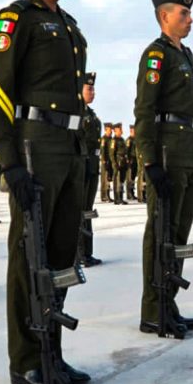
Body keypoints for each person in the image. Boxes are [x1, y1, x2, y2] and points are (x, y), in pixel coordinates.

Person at [0, 0, 91, 384]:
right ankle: (26, 360)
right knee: (31, 256)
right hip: (34, 146)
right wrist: (11, 164)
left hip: (69, 147)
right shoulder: (15, 19)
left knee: (63, 255)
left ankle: (53, 353)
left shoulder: (68, 25)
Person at [133, 0, 193, 338]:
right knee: (159, 231)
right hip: (166, 151)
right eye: (183, 14)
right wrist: (149, 162)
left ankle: (169, 303)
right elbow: (144, 111)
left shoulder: (186, 55)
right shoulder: (156, 56)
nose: (190, 19)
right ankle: (153, 308)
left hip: (187, 150)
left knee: (178, 232)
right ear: (165, 17)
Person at [79, 72, 102, 267]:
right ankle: (79, 253)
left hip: (92, 166)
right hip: (82, 166)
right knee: (79, 211)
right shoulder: (77, 114)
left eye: (93, 88)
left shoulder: (91, 114)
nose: (92, 92)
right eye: (89, 88)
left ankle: (87, 252)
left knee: (87, 211)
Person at [109, 123, 128, 204]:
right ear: (116, 130)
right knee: (117, 180)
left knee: (122, 181)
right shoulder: (114, 140)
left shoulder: (122, 139)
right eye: (120, 129)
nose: (122, 131)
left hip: (123, 162)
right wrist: (114, 163)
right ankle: (117, 198)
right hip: (118, 162)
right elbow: (111, 154)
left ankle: (121, 197)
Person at [99, 122, 113, 202]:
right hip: (105, 161)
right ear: (105, 130)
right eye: (109, 129)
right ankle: (103, 196)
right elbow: (102, 150)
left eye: (111, 130)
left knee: (108, 179)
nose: (110, 131)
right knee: (104, 179)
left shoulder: (111, 139)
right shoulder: (103, 139)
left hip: (110, 161)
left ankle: (108, 195)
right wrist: (103, 160)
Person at [126, 125, 138, 200]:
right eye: (133, 130)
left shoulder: (136, 139)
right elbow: (127, 151)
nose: (134, 132)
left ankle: (132, 192)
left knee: (133, 177)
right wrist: (128, 160)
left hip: (136, 159)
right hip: (131, 160)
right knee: (130, 178)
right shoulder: (129, 140)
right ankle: (129, 193)